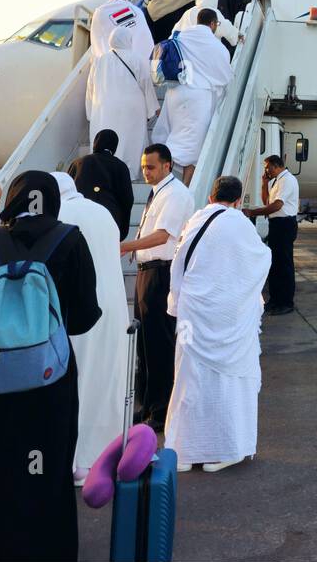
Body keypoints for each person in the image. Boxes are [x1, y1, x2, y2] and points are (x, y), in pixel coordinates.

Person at [0, 171, 101, 562]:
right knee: (41, 466)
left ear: (12, 199)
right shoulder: (70, 240)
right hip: (46, 382)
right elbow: (82, 316)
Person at [165, 175, 270, 472]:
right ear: (237, 201)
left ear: (211, 197)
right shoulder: (240, 223)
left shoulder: (195, 221)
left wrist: (176, 305)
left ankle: (183, 451)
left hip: (193, 314)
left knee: (189, 379)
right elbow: (261, 260)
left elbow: (178, 266)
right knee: (227, 383)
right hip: (229, 317)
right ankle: (224, 450)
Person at [51, 173, 129, 483]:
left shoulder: (60, 213)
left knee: (77, 380)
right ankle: (107, 456)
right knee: (107, 379)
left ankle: (75, 460)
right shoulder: (103, 212)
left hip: (79, 309)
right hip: (112, 307)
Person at [119, 144, 194, 432]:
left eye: (150, 167)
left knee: (159, 346)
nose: (145, 172)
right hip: (147, 272)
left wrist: (127, 246)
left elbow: (163, 236)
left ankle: (160, 411)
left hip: (160, 273)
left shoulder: (175, 194)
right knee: (145, 345)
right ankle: (149, 405)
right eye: (143, 167)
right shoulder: (159, 192)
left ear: (167, 165)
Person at [152, 10, 233, 186]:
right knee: (193, 148)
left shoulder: (180, 37)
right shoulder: (217, 47)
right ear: (213, 24)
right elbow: (225, 78)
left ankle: (167, 182)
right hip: (199, 98)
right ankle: (184, 186)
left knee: (175, 137)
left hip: (175, 93)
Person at [86, 25, 157, 180]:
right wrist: (153, 108)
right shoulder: (137, 58)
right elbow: (146, 85)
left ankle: (104, 174)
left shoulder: (99, 61)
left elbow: (90, 88)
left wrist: (91, 111)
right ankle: (129, 175)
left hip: (104, 110)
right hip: (132, 110)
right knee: (131, 141)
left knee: (107, 141)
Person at [244, 154, 299, 316]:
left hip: (284, 224)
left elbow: (276, 206)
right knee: (275, 264)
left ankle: (286, 302)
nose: (266, 171)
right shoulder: (277, 181)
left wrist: (252, 212)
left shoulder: (287, 180)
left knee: (284, 265)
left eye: (267, 167)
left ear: (276, 165)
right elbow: (267, 202)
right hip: (276, 224)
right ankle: (275, 300)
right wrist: (264, 184)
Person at [68, 130, 135, 241]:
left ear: (95, 143)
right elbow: (127, 199)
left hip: (79, 217)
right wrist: (122, 226)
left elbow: (67, 189)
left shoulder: (78, 163)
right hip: (109, 219)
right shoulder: (120, 166)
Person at [89, 0, 153, 64]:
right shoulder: (137, 11)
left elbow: (96, 42)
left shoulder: (100, 13)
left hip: (116, 64)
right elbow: (145, 38)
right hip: (144, 63)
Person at [176, 0, 242, 55]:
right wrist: (237, 36)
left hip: (187, 49)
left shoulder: (189, 12)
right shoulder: (213, 13)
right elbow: (224, 26)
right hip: (207, 51)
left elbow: (177, 29)